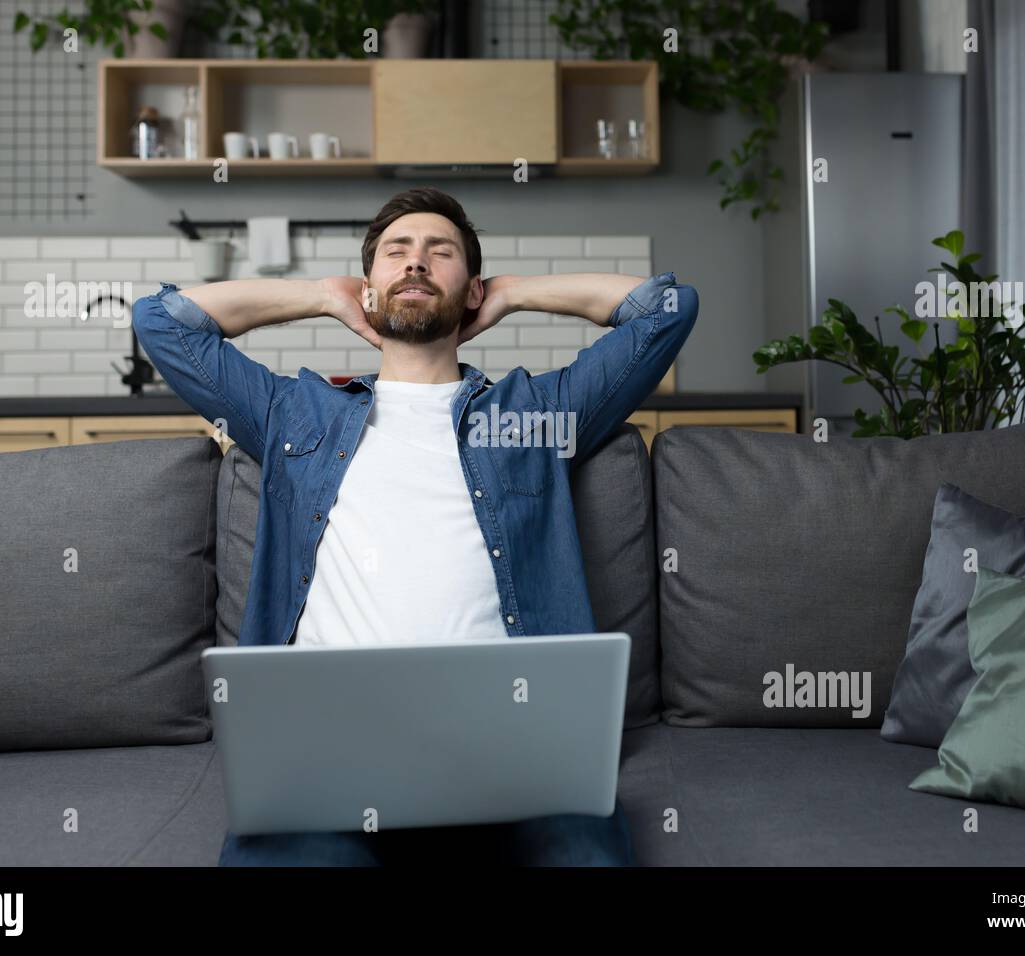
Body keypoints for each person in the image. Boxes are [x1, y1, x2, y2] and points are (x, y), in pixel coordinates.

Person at [133, 186, 699, 866]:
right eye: (396, 253)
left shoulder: (537, 413)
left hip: (514, 749)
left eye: (441, 253)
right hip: (326, 753)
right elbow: (162, 322)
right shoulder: (292, 412)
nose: (416, 263)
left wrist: (516, 292)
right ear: (368, 288)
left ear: (471, 291)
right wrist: (320, 294)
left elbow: (668, 309)